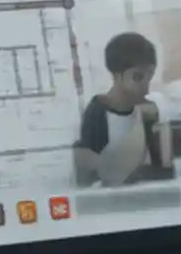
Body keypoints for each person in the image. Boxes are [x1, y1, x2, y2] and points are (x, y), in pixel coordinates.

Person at [73, 32, 172, 186]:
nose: (146, 86)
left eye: (149, 76)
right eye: (137, 77)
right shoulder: (98, 113)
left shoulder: (147, 111)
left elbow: (162, 167)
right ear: (117, 75)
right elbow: (86, 179)